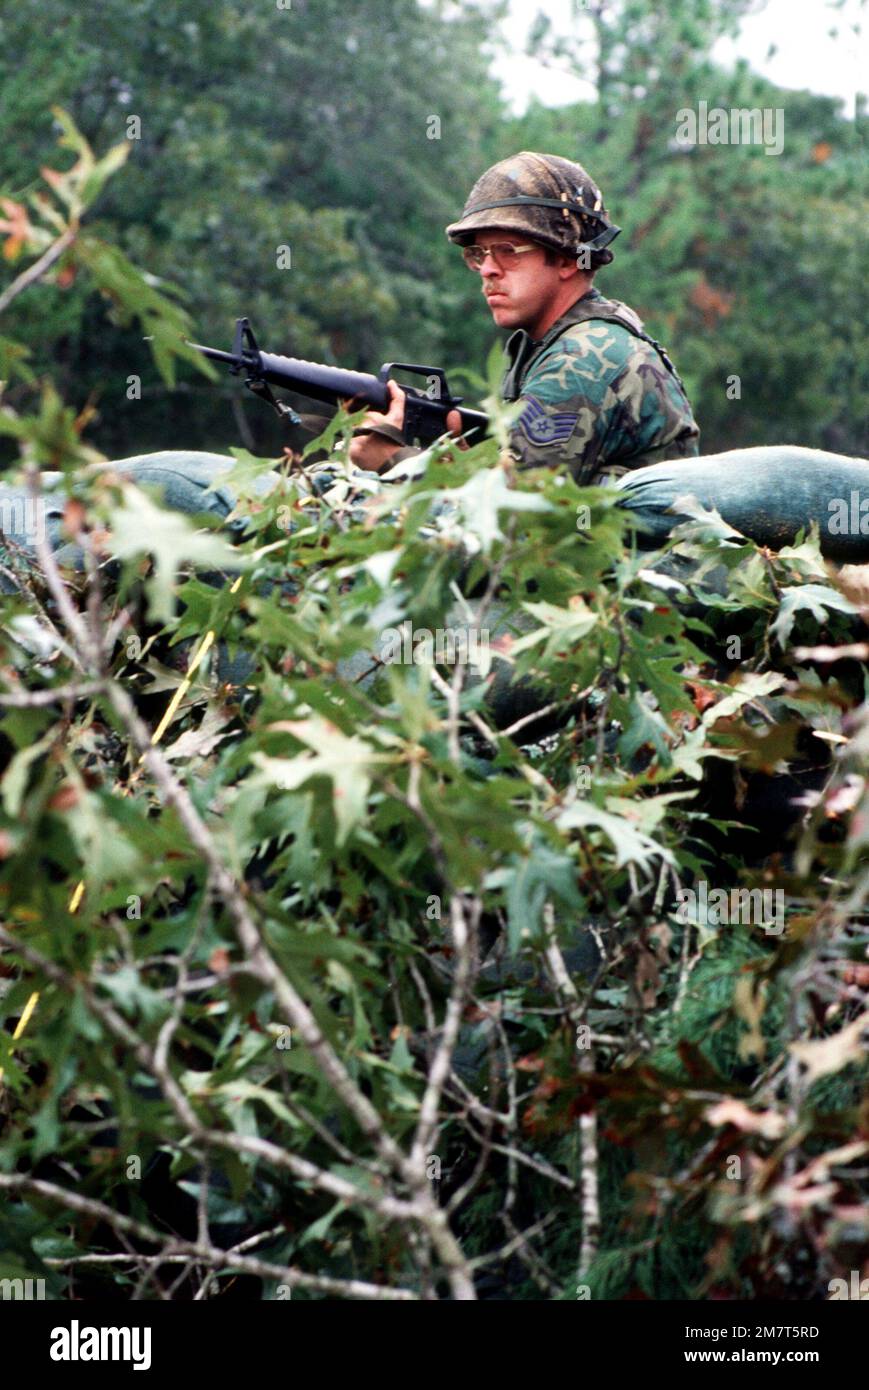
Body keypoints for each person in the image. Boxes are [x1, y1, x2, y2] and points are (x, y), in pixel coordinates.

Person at [348, 151, 700, 485]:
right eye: (479, 253)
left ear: (566, 260)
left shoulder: (584, 359)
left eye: (507, 252)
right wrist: (470, 463)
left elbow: (511, 520)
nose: (487, 269)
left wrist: (392, 460)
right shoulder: (568, 343)